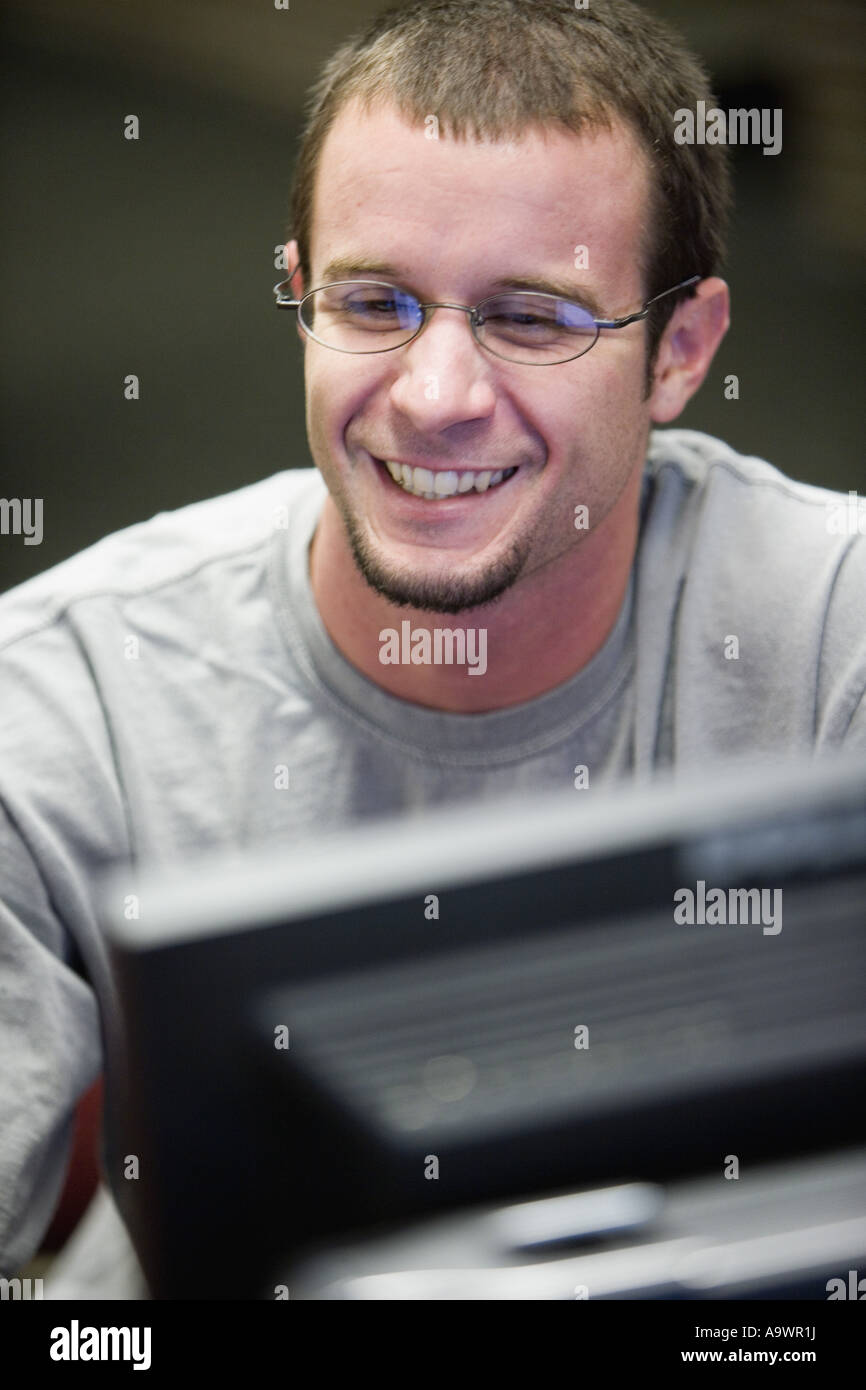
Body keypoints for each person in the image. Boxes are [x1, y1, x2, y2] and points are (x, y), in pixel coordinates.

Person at [1, 0, 863, 1295]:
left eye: (531, 318)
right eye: (374, 302)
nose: (436, 396)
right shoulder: (65, 692)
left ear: (679, 351)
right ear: (301, 298)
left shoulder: (834, 630)